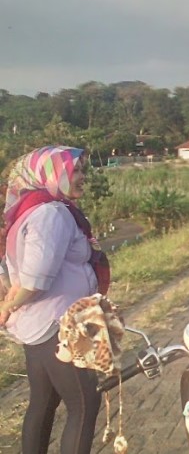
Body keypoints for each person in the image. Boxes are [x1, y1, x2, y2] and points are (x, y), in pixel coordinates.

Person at [0, 146, 102, 454]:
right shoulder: (51, 213)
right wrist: (7, 306)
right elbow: (36, 278)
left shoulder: (33, 207)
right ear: (52, 174)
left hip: (41, 324)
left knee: (43, 403)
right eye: (76, 172)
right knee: (84, 404)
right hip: (57, 325)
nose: (83, 177)